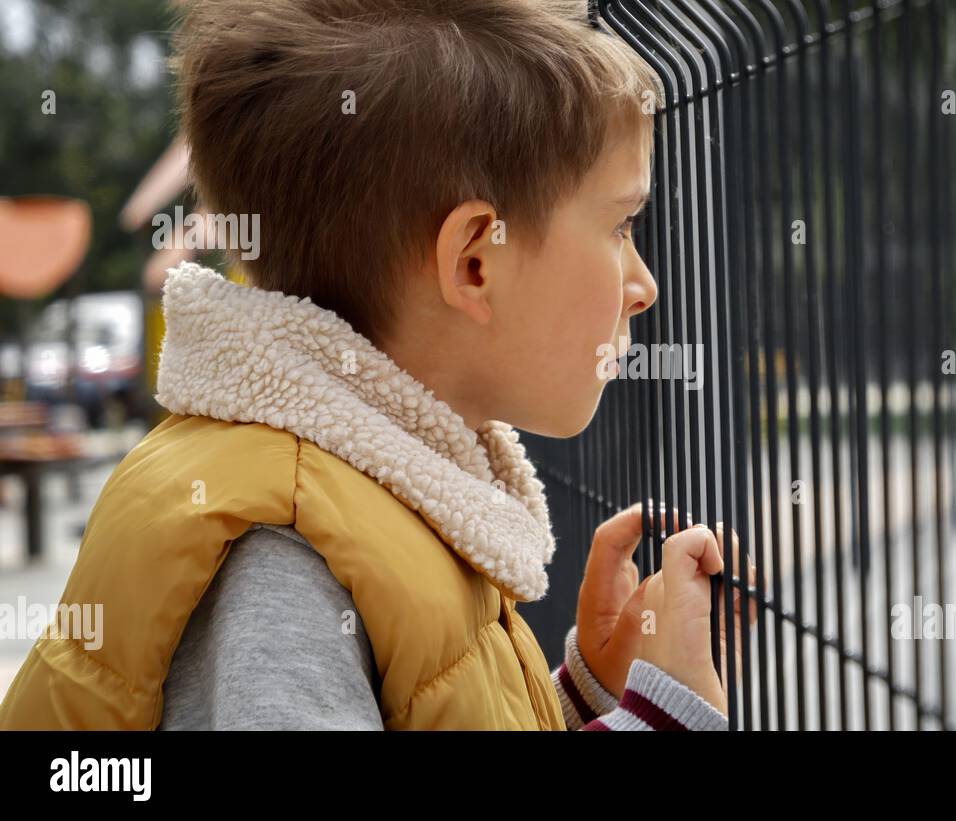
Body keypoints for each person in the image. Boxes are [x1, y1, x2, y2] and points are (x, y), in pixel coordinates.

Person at [0, 0, 752, 731]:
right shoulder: (282, 556)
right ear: (475, 263)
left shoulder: (370, 487)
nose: (644, 284)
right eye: (620, 225)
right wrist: (661, 719)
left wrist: (586, 694)